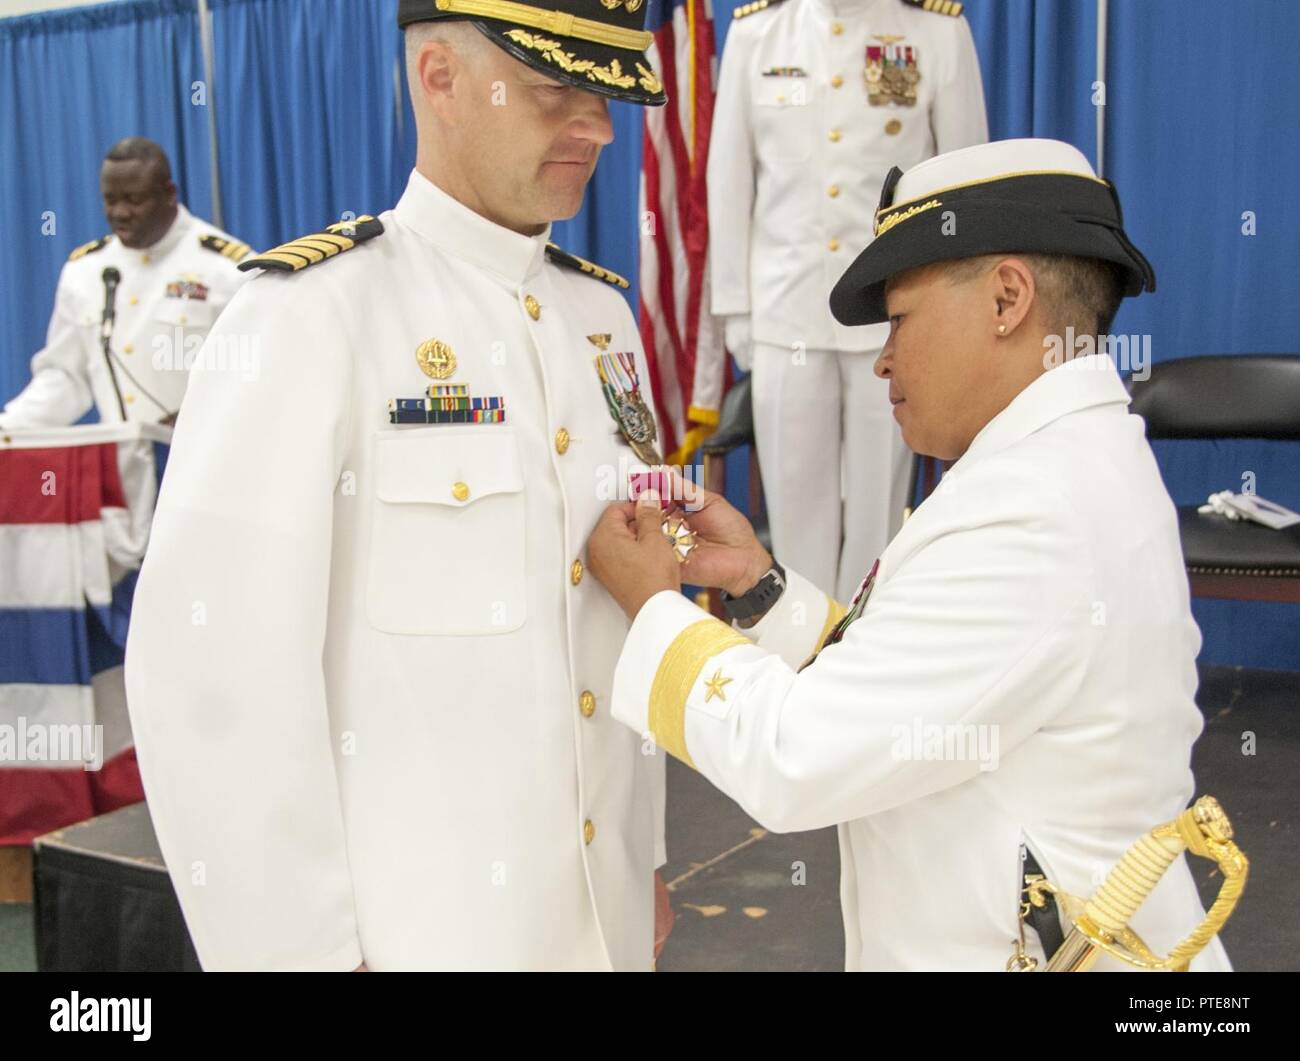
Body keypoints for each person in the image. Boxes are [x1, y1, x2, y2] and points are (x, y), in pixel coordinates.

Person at [588, 138, 1233, 971]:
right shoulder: (1069, 460)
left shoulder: (1033, 510)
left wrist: (652, 608)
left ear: (1007, 298)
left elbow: (801, 755)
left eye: (899, 319)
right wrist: (760, 588)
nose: (882, 359)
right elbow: (922, 684)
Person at [125, 1, 671, 971]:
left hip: (603, 924)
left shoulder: (603, 319)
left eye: (606, 93)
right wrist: (297, 953)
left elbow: (625, 616)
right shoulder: (309, 315)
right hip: (423, 932)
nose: (595, 124)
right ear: (440, 79)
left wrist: (645, 856)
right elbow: (211, 673)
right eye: (557, 88)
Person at [709, 0, 987, 601]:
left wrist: (952, 313)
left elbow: (963, 191)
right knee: (794, 517)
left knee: (878, 521)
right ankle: (801, 661)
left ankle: (869, 656)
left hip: (895, 319)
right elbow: (729, 179)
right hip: (787, 316)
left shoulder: (937, 32)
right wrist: (736, 309)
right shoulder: (759, 33)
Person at [0, 138, 251, 430]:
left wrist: (197, 417)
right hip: (120, 466)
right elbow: (66, 378)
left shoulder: (227, 269)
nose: (119, 212)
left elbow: (252, 373)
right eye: (110, 199)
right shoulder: (85, 271)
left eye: (134, 199)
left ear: (169, 194)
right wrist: (8, 430)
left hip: (203, 456)